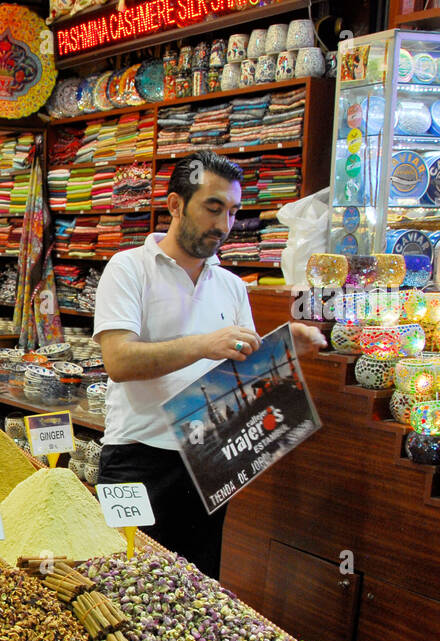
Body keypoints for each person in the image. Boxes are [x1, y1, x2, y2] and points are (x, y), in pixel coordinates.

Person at [92, 150, 327, 579]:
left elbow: (240, 374)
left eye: (233, 212)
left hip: (210, 461)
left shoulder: (232, 287)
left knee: (197, 593)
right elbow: (119, 360)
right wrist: (204, 344)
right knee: (124, 586)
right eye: (213, 207)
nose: (223, 224)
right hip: (137, 459)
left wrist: (281, 348)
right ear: (175, 205)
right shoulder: (128, 269)